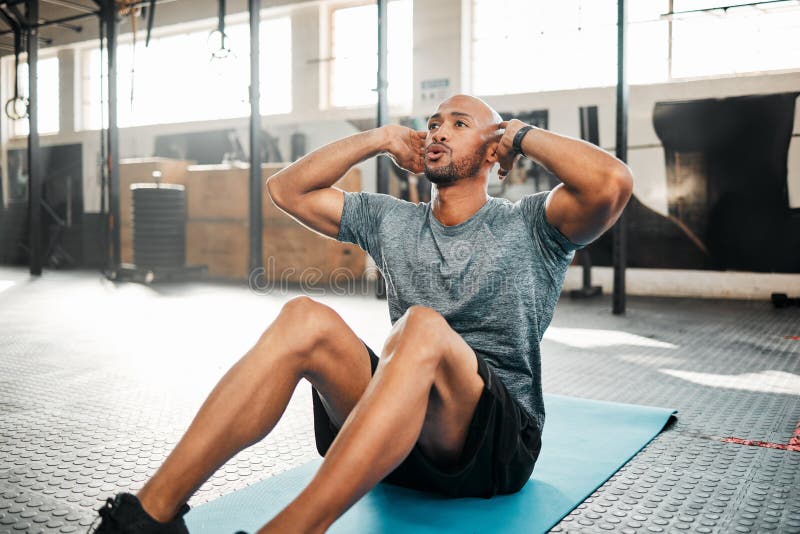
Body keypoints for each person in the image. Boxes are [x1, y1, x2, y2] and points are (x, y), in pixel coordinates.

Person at [91, 94, 632, 534]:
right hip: (398, 438)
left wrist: (516, 134)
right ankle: (148, 516)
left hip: (494, 445)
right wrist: (379, 138)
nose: (438, 131)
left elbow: (612, 184)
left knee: (421, 325)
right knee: (304, 316)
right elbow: (286, 189)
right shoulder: (390, 220)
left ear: (492, 154)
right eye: (433, 123)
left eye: (459, 124)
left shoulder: (532, 226)